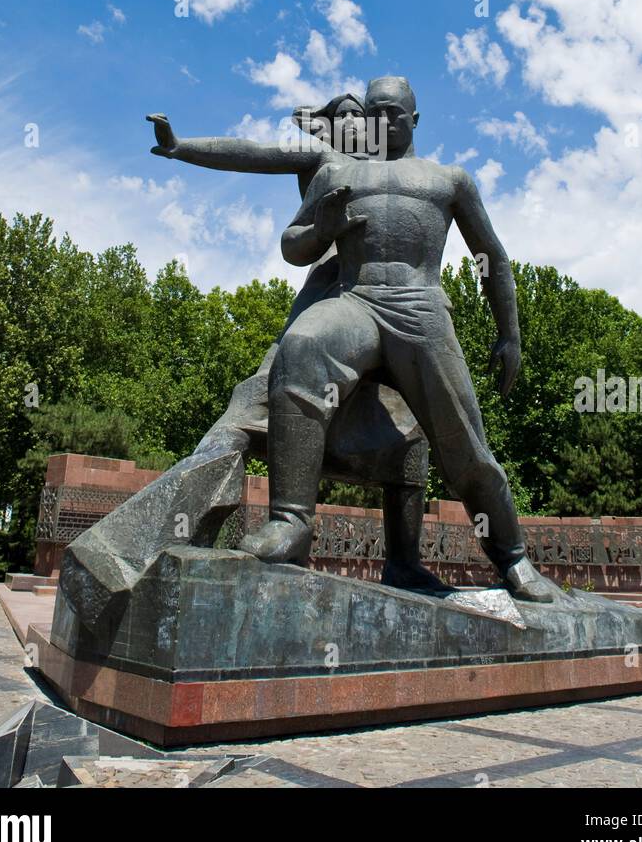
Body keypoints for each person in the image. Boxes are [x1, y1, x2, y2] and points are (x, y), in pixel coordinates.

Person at [238, 75, 557, 604]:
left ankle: (515, 558)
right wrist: (321, 229)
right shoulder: (338, 174)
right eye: (375, 112)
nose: (383, 122)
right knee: (301, 347)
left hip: (420, 309)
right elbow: (293, 244)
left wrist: (510, 336)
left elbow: (492, 258)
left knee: (464, 443)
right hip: (356, 300)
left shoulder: (448, 179)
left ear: (415, 119)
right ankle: (291, 521)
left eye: (394, 113)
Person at [146, 96, 444, 592]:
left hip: (399, 312)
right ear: (328, 128)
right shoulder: (324, 162)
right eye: (345, 113)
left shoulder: (405, 171)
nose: (357, 121)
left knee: (409, 431)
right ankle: (200, 528)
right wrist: (181, 147)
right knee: (261, 400)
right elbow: (252, 154)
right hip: (332, 300)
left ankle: (405, 562)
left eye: (362, 113)